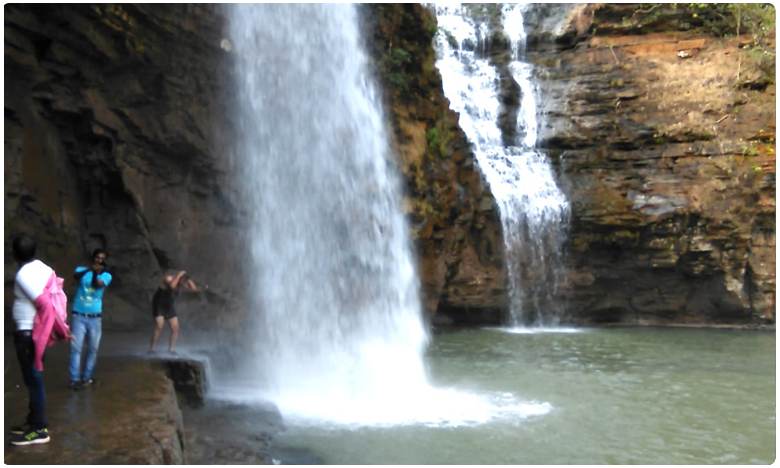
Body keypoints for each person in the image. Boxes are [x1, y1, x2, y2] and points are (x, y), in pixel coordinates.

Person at [9, 234, 72, 446]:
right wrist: (61, 329)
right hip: (32, 336)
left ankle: (39, 429)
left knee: (34, 381)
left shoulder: (22, 275)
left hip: (29, 335)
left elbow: (45, 304)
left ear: (15, 253)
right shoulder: (45, 269)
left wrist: (47, 336)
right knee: (31, 379)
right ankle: (32, 421)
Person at [68, 249, 112, 390]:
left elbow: (96, 285)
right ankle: (74, 379)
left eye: (102, 258)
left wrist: (94, 273)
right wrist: (90, 270)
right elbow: (75, 276)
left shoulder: (106, 276)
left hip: (95, 317)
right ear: (92, 258)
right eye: (97, 257)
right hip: (79, 315)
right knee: (76, 348)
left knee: (93, 349)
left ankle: (87, 378)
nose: (99, 260)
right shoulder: (82, 270)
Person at [149, 270, 197, 354]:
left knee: (175, 328)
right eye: (184, 281)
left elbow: (193, 289)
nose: (184, 284)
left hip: (168, 306)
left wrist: (189, 279)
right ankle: (152, 349)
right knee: (159, 325)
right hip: (159, 304)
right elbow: (172, 286)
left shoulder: (180, 283)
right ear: (179, 279)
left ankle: (171, 350)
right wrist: (178, 275)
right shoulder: (169, 278)